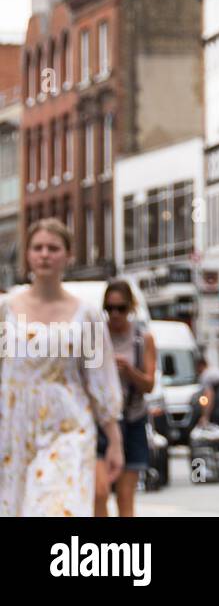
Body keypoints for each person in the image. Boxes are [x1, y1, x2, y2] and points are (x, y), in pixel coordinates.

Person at [0, 218, 124, 516]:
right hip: (14, 428)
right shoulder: (6, 312)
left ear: (68, 256)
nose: (44, 254)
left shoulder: (86, 315)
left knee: (57, 509)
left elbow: (100, 378)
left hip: (68, 427)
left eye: (53, 248)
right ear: (27, 255)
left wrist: (114, 441)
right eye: (38, 247)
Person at [93, 280, 156, 517]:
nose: (115, 314)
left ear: (131, 308)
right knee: (99, 493)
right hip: (102, 420)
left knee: (125, 496)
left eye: (120, 308)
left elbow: (149, 384)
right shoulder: (96, 338)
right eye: (109, 309)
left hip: (133, 418)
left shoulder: (143, 339)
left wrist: (130, 371)